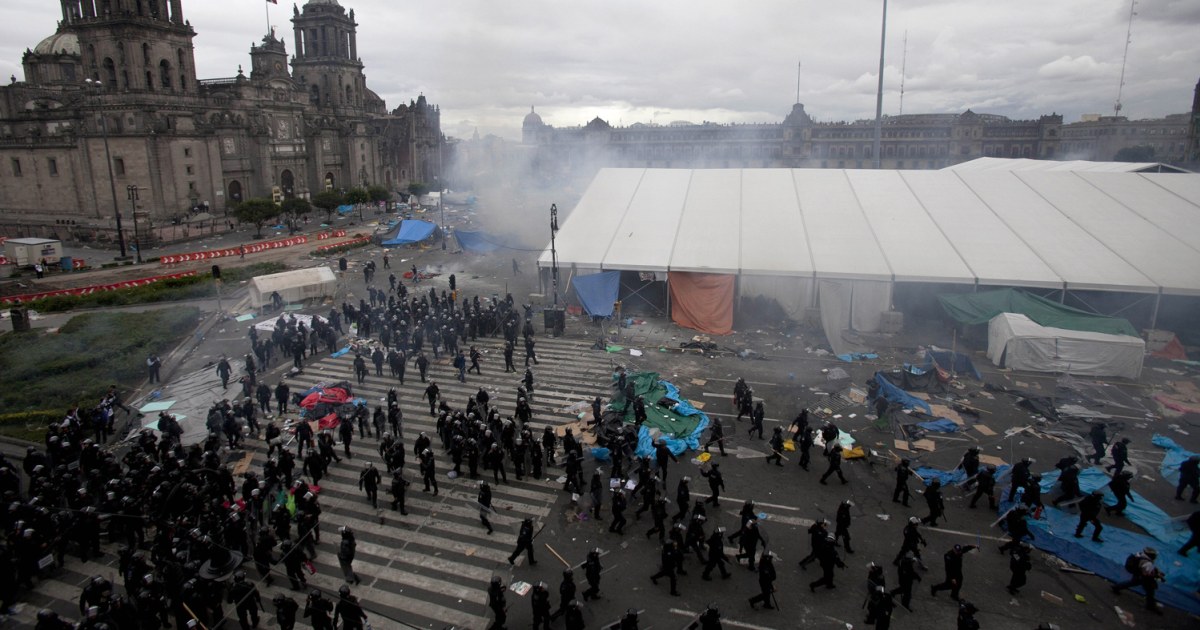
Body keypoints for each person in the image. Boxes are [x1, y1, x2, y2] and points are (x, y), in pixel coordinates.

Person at [1112, 547, 1165, 614]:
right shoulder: (1147, 563)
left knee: (1133, 582)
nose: (1155, 557)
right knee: (1150, 591)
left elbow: (1147, 568)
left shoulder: (1141, 555)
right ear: (1151, 555)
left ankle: (1116, 587)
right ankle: (1150, 606)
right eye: (1154, 555)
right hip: (1142, 575)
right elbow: (1148, 573)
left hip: (1138, 572)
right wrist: (1158, 576)